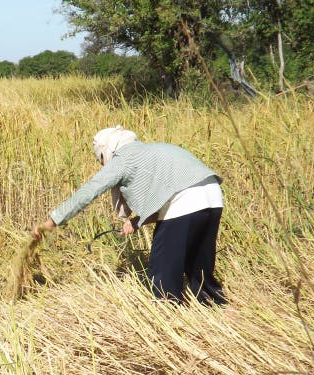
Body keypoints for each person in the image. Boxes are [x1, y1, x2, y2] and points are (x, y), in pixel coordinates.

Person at [32, 126, 227, 306]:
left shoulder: (122, 159)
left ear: (105, 151)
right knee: (198, 268)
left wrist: (52, 221)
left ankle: (169, 321)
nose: (102, 164)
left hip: (185, 201)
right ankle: (218, 310)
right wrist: (137, 222)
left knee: (163, 276)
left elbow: (88, 191)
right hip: (213, 196)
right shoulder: (155, 149)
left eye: (100, 160)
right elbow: (167, 194)